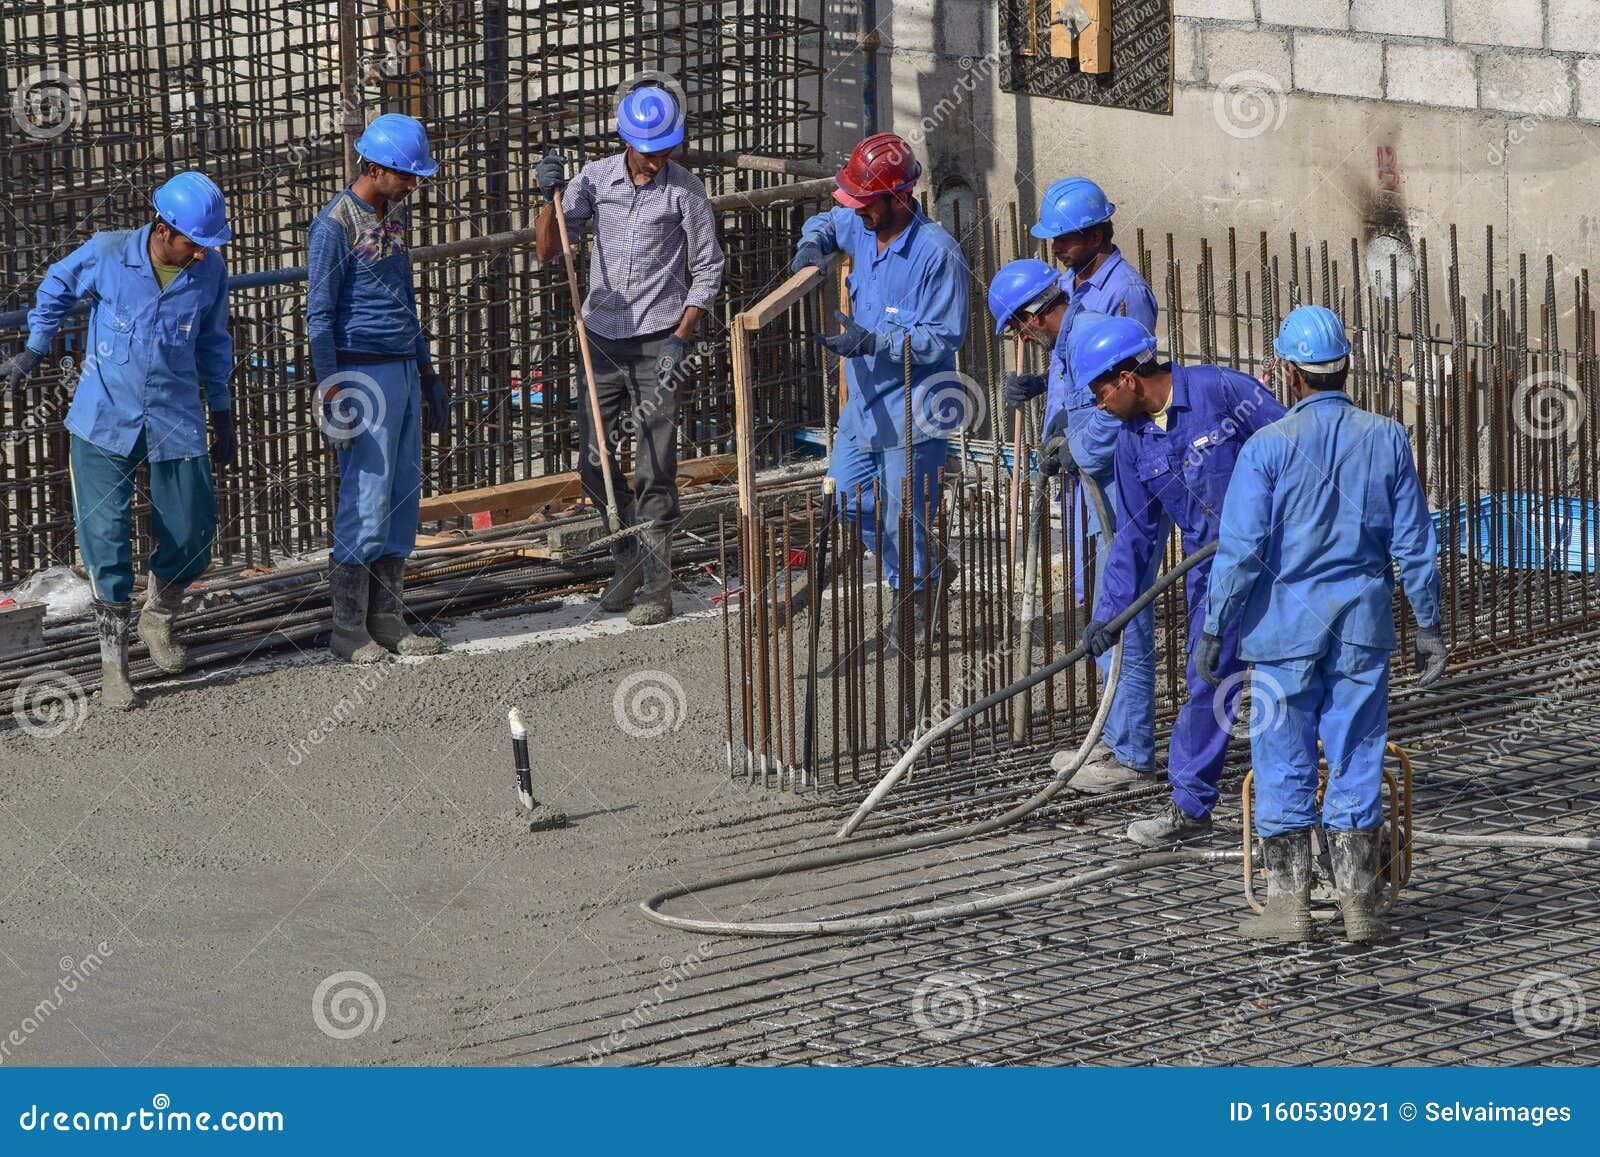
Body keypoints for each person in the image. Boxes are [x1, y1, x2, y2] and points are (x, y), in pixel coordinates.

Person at [1202, 305, 1447, 944]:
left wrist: (1213, 625)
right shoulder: (1388, 437)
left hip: (1282, 631)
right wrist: (1429, 624)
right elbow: (1416, 543)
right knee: (1357, 751)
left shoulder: (1266, 447)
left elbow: (1242, 549)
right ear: (1345, 366)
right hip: (1362, 625)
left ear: (1289, 372)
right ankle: (1359, 901)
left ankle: (1289, 907)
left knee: (1282, 752)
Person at [0, 172, 236, 709]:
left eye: (206, 246)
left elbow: (215, 341)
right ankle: (114, 663)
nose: (200, 254)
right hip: (104, 420)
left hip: (175, 417)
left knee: (195, 530)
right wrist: (35, 348)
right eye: (192, 243)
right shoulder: (109, 254)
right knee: (105, 539)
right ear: (162, 229)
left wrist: (221, 414)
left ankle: (159, 615)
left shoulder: (209, 272)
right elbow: (57, 284)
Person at [1072, 315, 1287, 847]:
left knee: (1301, 679)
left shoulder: (1219, 389)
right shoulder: (1132, 443)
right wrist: (1109, 616)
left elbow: (1296, 445)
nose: (1098, 405)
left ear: (1128, 378)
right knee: (1209, 680)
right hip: (1214, 577)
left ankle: (1307, 806)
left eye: (1100, 391)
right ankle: (1191, 808)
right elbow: (1133, 538)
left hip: (1284, 562)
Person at [533, 83, 726, 625]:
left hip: (660, 340)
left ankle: (658, 584)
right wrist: (546, 198)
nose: (658, 156)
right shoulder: (595, 181)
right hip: (602, 340)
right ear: (626, 140)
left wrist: (681, 337)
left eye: (666, 146)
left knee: (654, 464)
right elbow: (551, 249)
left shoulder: (685, 190)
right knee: (593, 462)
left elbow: (708, 268)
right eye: (650, 147)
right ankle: (628, 559)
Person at [998, 179, 1163, 792]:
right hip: (1082, 471)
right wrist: (1045, 391)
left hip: (1116, 475)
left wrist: (1081, 439)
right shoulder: (1072, 288)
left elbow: (1130, 384)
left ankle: (1133, 753)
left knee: (1123, 610)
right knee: (1100, 605)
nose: (1056, 249)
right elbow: (1081, 371)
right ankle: (1115, 737)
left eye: (1063, 238)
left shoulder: (1125, 294)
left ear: (1095, 234)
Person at [790, 132, 969, 643]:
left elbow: (943, 337)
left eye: (868, 203)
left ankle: (915, 594)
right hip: (863, 412)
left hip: (914, 413)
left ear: (899, 197)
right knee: (847, 500)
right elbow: (829, 220)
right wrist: (812, 244)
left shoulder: (939, 254)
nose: (860, 212)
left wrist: (873, 342)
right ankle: (930, 567)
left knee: (901, 517)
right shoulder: (862, 224)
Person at [307, 112, 450, 663]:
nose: (412, 184)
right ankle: (348, 628)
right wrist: (330, 388)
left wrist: (428, 371)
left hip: (402, 370)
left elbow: (404, 300)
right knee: (365, 499)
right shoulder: (334, 226)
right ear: (375, 166)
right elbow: (319, 315)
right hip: (361, 373)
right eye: (405, 175)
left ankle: (386, 616)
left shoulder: (390, 219)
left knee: (401, 498)